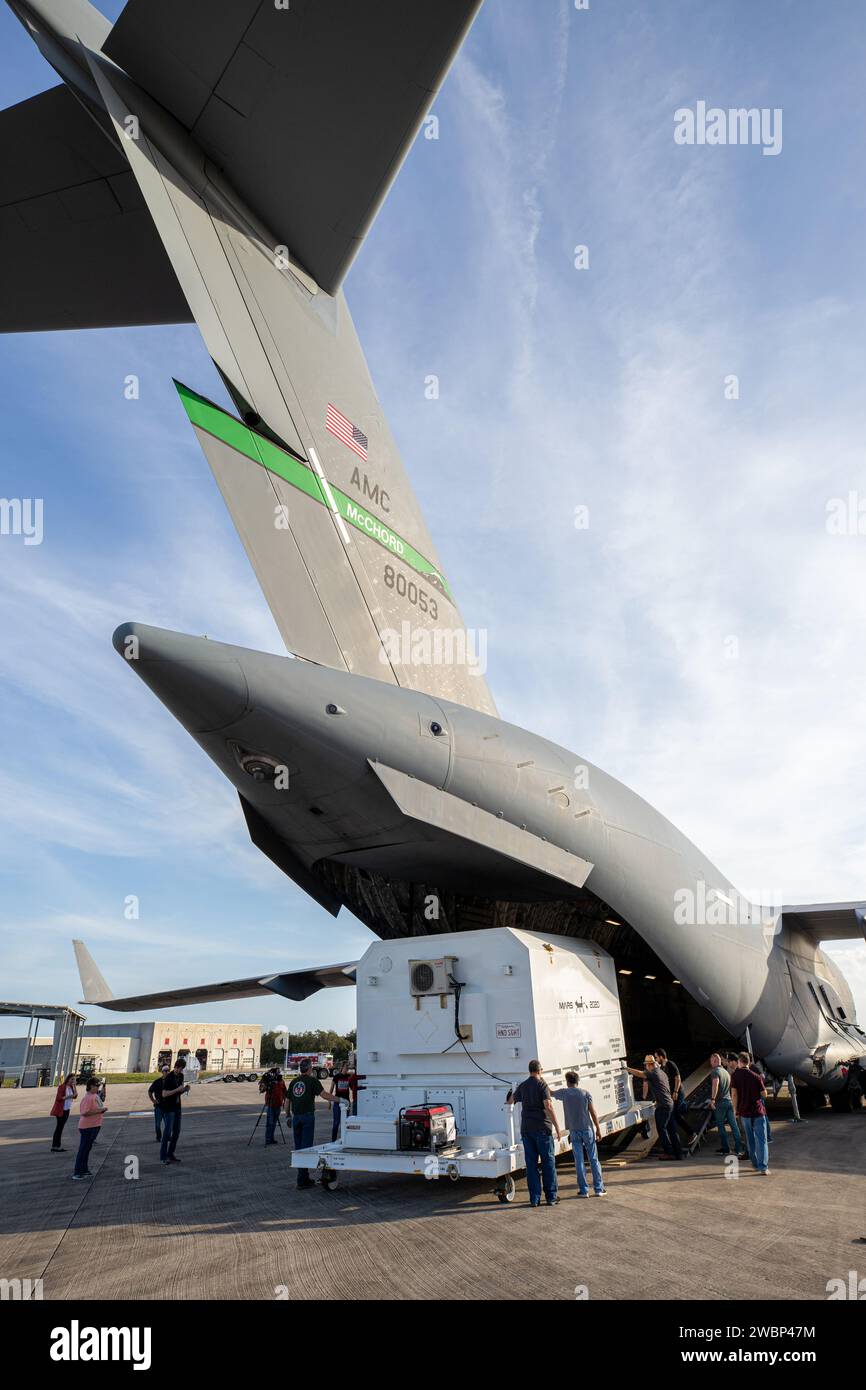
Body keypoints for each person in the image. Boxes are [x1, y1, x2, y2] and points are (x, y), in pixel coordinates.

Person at [506, 1060, 562, 1206]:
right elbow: (548, 1106)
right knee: (548, 1163)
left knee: (531, 1165)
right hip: (542, 1129)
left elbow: (511, 1100)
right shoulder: (542, 1085)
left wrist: (512, 1092)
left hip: (526, 1130)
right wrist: (557, 1126)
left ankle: (535, 1199)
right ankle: (551, 1197)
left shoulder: (523, 1086)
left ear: (529, 1070)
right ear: (540, 1070)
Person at [551, 1070, 605, 1197]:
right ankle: (598, 1189)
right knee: (593, 1159)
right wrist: (598, 1128)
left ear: (567, 1081)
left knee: (579, 1161)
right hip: (588, 1130)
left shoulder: (564, 1093)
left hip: (574, 1131)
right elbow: (593, 1112)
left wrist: (540, 1079)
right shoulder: (585, 1093)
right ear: (577, 1081)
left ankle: (584, 1190)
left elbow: (550, 1092)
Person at [286, 1059, 332, 1188]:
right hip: (307, 1117)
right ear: (309, 1068)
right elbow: (324, 1095)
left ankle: (304, 1177)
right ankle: (302, 1181)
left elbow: (287, 1101)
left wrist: (288, 1116)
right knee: (306, 1149)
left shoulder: (294, 1082)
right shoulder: (312, 1081)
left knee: (299, 1147)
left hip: (296, 1118)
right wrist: (339, 1099)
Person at [628, 1055, 683, 1159]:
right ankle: (678, 1153)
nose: (645, 1068)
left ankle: (669, 1152)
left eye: (646, 1065)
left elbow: (640, 1074)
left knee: (661, 1129)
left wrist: (627, 1069)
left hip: (662, 1106)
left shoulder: (653, 1073)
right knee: (672, 1129)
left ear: (649, 1065)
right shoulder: (662, 1072)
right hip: (669, 1103)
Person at [730, 1052, 769, 1174]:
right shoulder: (756, 1076)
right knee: (762, 1140)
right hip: (757, 1112)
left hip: (744, 1113)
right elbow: (764, 1094)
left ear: (740, 1062)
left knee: (750, 1139)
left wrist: (735, 1110)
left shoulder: (735, 1076)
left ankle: (755, 1164)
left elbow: (734, 1095)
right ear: (749, 1062)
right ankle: (763, 1167)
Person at [655, 1049, 696, 1144]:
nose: (656, 1059)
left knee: (675, 1114)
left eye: (656, 1057)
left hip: (678, 1092)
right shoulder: (662, 1067)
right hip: (671, 1093)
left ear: (661, 1057)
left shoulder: (670, 1064)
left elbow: (678, 1078)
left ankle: (691, 1133)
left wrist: (675, 1092)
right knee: (674, 1113)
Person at [709, 1051, 743, 1156]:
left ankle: (725, 1148)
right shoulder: (726, 1072)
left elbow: (716, 1083)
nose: (710, 1063)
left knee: (721, 1126)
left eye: (711, 1061)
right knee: (734, 1126)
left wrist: (713, 1099)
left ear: (715, 1061)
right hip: (729, 1102)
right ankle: (738, 1148)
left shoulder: (715, 1071)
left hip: (720, 1103)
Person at [72, 1078, 107, 1180]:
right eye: (96, 1086)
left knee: (87, 1149)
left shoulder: (95, 1096)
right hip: (88, 1127)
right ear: (91, 1086)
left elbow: (103, 1097)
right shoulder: (88, 1098)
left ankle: (84, 1169)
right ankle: (78, 1171)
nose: (98, 1088)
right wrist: (100, 1111)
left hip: (93, 1125)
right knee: (83, 1150)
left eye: (98, 1086)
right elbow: (84, 1112)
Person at [159, 1059, 190, 1166]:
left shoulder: (181, 1076)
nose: (180, 1071)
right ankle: (163, 1156)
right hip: (169, 1109)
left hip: (177, 1108)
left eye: (182, 1070)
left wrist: (184, 1089)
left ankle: (170, 1153)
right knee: (167, 1133)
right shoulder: (168, 1078)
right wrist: (177, 1090)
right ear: (176, 1066)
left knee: (176, 1132)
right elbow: (164, 1094)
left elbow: (178, 1091)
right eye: (180, 1069)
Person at [49, 1073, 78, 1153]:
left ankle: (57, 1146)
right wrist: (69, 1096)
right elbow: (58, 1098)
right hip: (61, 1110)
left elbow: (75, 1096)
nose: (73, 1081)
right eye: (72, 1079)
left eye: (74, 1080)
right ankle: (55, 1146)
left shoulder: (71, 1087)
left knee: (60, 1128)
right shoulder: (62, 1087)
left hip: (67, 1109)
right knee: (59, 1128)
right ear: (68, 1079)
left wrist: (75, 1086)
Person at [260, 1067, 287, 1145]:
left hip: (278, 1105)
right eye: (277, 1072)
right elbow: (261, 1090)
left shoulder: (281, 1081)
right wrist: (267, 1083)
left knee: (274, 1123)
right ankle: (268, 1139)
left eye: (279, 1072)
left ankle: (271, 1138)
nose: (278, 1074)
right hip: (270, 1104)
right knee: (270, 1122)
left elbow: (285, 1091)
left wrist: (285, 1102)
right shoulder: (269, 1080)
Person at [328, 1061, 354, 1142]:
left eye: (348, 1067)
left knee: (345, 1123)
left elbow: (352, 1088)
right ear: (342, 1067)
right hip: (337, 1102)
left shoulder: (349, 1077)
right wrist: (329, 1101)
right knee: (336, 1122)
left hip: (346, 1103)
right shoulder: (336, 1077)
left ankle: (345, 1140)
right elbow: (331, 1089)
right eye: (346, 1066)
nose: (347, 1068)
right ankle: (333, 1140)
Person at [147, 1065, 169, 1142]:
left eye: (168, 1070)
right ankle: (158, 1137)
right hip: (159, 1106)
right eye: (165, 1071)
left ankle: (167, 1137)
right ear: (162, 1072)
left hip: (168, 1107)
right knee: (157, 1124)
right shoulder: (157, 1082)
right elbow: (150, 1091)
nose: (167, 1072)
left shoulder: (170, 1082)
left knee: (168, 1124)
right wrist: (153, 1100)